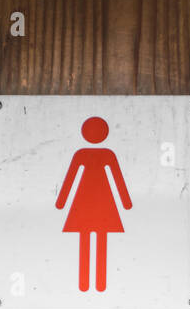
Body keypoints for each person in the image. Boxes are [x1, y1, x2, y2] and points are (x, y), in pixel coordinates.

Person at [55, 116, 132, 291]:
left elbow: (71, 180)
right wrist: (125, 203)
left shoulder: (91, 154)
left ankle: (89, 284)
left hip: (88, 199)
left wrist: (61, 202)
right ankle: (96, 284)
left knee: (88, 239)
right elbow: (71, 178)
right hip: (99, 199)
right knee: (97, 239)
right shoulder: (100, 154)